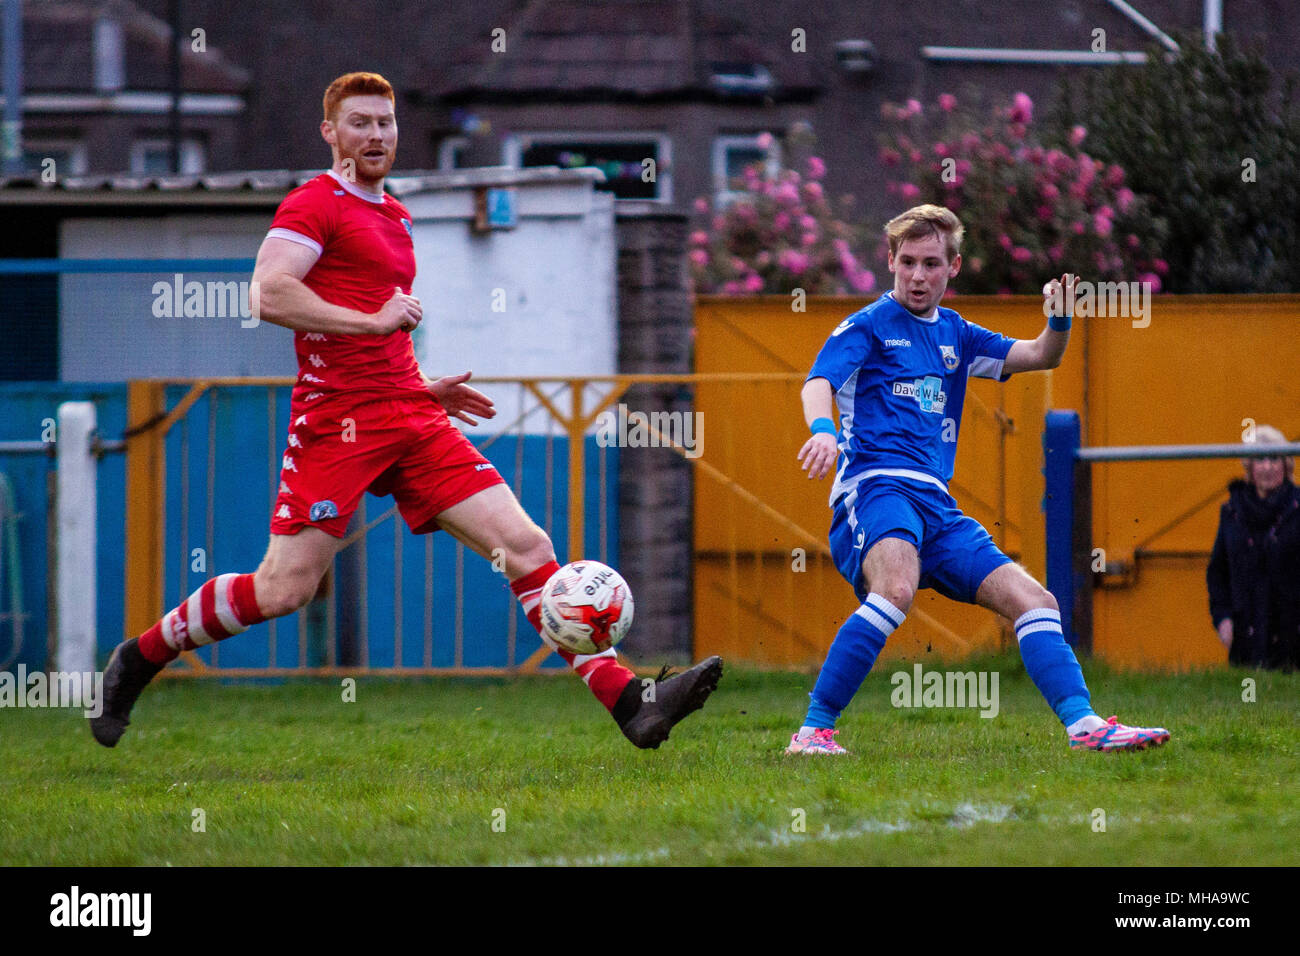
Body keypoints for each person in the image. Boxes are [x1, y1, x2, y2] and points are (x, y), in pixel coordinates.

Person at [91, 72, 722, 750]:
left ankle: (632, 703)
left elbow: (378, 323)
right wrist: (369, 324)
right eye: (359, 122)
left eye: (385, 123)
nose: (375, 135)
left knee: (527, 547)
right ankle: (139, 659)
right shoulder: (314, 203)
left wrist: (423, 383)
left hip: (411, 413)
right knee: (284, 589)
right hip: (336, 422)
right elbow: (269, 295)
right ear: (329, 132)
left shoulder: (395, 214)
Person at [787, 204, 1169, 755]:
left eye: (931, 264)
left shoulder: (956, 334)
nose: (918, 275)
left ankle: (1085, 728)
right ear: (890, 261)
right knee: (895, 588)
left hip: (935, 506)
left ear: (954, 267)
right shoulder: (867, 326)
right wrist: (824, 431)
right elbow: (817, 381)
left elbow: (1041, 356)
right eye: (909, 262)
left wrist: (1058, 319)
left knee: (1035, 600)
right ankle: (812, 732)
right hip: (874, 487)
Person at [1207, 424, 1300, 671]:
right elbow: (1217, 573)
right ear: (1249, 466)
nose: (1268, 467)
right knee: (1247, 704)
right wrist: (1223, 620)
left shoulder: (1297, 509)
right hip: (1245, 642)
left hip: (1292, 642)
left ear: (1287, 465)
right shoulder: (1231, 512)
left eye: (1274, 458)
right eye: (1259, 459)